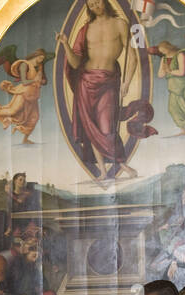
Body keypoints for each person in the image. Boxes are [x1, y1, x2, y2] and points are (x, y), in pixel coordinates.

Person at [56, 0, 151, 179]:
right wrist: (65, 44)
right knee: (90, 127)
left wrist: (126, 82)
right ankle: (102, 171)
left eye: (97, 2)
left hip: (108, 82)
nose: (95, 7)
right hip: (85, 82)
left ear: (105, 2)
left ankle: (124, 166)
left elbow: (132, 57)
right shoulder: (86, 29)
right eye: (91, 5)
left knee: (107, 128)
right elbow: (75, 63)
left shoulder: (120, 24)